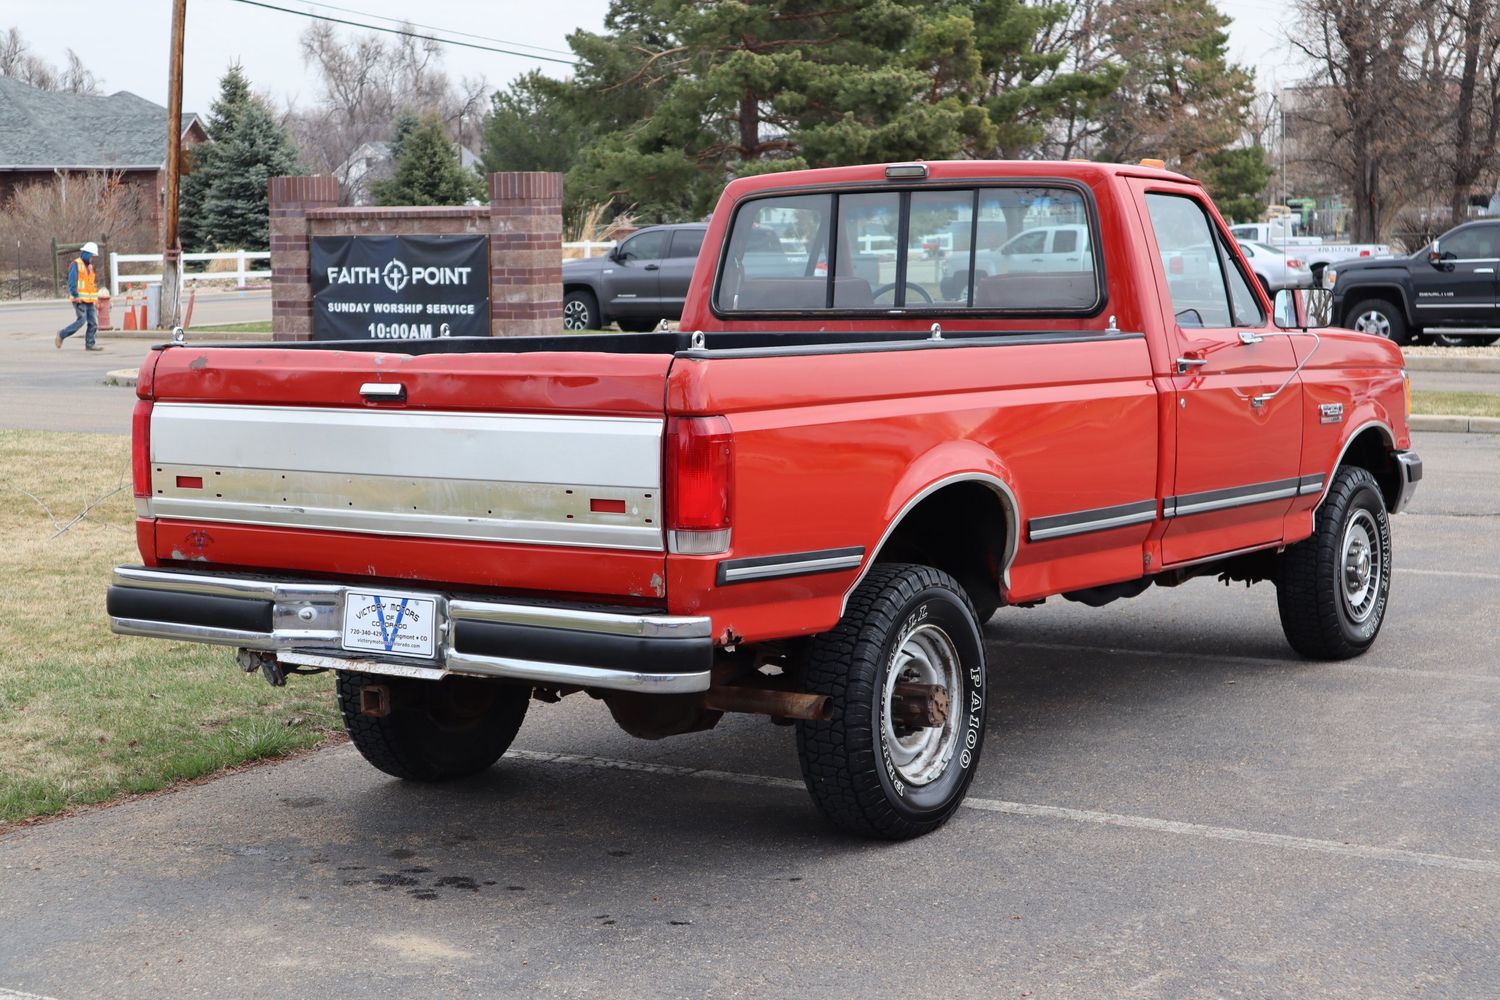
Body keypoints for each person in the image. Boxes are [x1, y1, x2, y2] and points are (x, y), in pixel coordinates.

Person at [56, 242, 104, 351]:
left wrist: (95, 300)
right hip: (79, 299)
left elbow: (91, 285)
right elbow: (72, 282)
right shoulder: (76, 264)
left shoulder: (90, 267)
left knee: (93, 322)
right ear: (86, 254)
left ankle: (90, 344)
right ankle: (61, 334)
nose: (92, 258)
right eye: (92, 256)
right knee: (81, 321)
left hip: (89, 300)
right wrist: (75, 295)